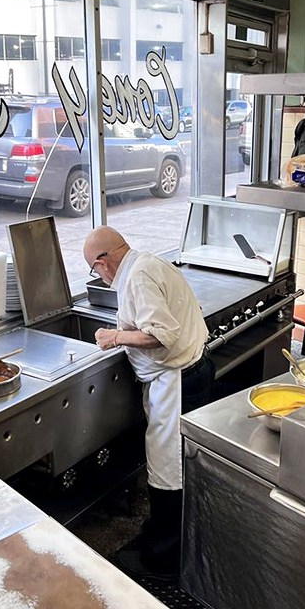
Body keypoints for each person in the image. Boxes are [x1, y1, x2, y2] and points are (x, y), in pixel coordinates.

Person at [83, 226, 215, 578]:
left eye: (93, 269)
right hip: (194, 369)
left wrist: (115, 337)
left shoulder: (137, 277)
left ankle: (164, 561)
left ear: (104, 261)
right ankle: (173, 539)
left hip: (176, 382)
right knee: (183, 466)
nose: (97, 276)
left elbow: (162, 334)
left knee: (169, 470)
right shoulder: (149, 262)